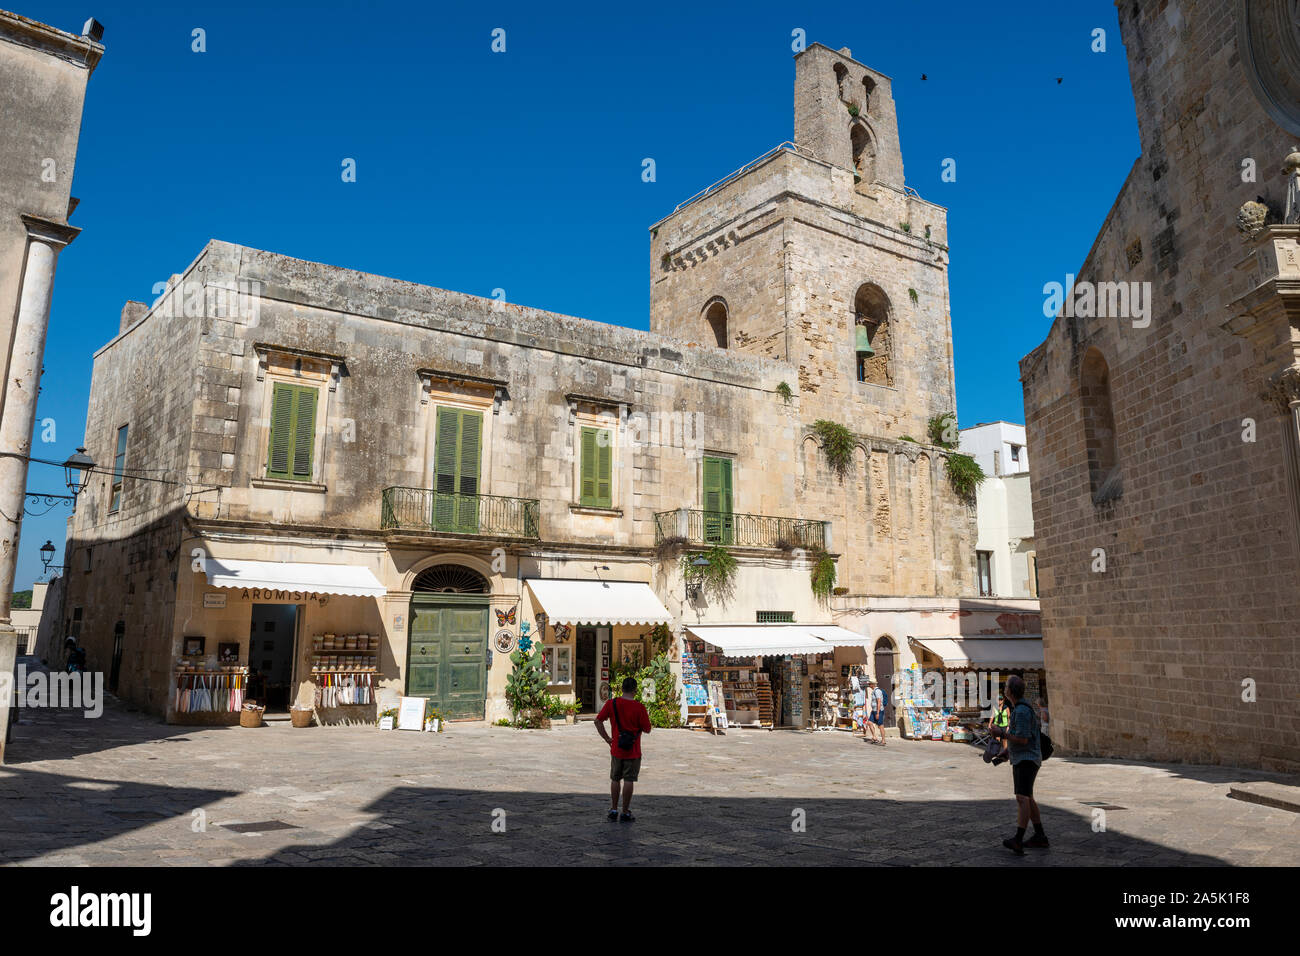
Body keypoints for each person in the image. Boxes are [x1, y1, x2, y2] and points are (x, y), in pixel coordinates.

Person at [989, 673, 1047, 855]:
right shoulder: (1018, 709)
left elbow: (1022, 739)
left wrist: (1001, 734)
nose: (1004, 689)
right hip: (1023, 758)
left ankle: (1018, 839)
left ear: (1009, 692)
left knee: (1022, 798)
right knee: (1028, 798)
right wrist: (1006, 752)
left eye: (1005, 687)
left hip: (1027, 760)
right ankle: (1040, 836)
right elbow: (1021, 739)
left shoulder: (1021, 711)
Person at [595, 676, 652, 822]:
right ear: (635, 690)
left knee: (615, 779)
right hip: (633, 750)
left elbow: (598, 721)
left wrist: (607, 738)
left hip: (616, 749)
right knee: (629, 780)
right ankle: (625, 811)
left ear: (622, 689)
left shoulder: (612, 704)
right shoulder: (639, 707)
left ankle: (613, 809)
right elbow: (647, 729)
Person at [984, 694, 1010, 765]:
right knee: (997, 740)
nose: (999, 701)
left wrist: (1008, 726)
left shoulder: (1006, 708)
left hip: (1004, 725)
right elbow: (992, 716)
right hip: (997, 725)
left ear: (1003, 700)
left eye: (1001, 699)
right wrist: (990, 723)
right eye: (998, 699)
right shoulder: (994, 707)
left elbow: (1009, 717)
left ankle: (1005, 755)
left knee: (1004, 740)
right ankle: (996, 753)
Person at [866, 676, 886, 746]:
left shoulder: (877, 691)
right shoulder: (874, 691)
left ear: (873, 684)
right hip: (874, 710)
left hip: (879, 711)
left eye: (870, 684)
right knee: (869, 723)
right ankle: (874, 737)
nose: (869, 685)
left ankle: (883, 740)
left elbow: (879, 701)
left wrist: (877, 712)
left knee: (880, 725)